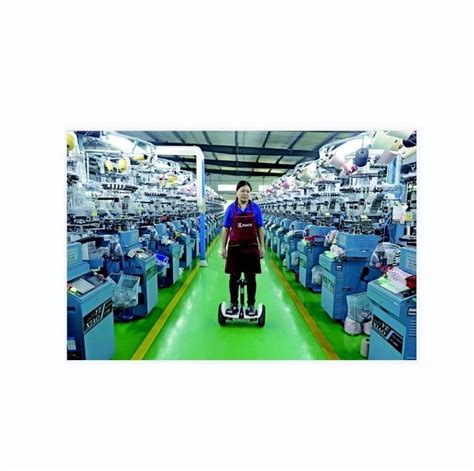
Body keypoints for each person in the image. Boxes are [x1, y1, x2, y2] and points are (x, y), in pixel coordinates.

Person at [220, 180, 265, 316]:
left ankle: (251, 305)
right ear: (237, 192)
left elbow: (260, 228)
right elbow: (226, 229)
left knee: (251, 277)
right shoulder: (231, 209)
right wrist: (223, 247)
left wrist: (262, 247)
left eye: (247, 191)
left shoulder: (255, 208)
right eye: (242, 191)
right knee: (234, 276)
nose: (245, 194)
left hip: (251, 247)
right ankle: (234, 304)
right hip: (235, 247)